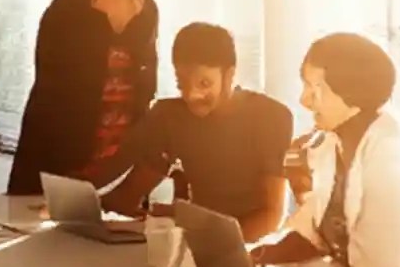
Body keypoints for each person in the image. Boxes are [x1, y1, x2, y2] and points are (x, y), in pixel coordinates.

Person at [252, 33, 400, 267]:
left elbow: (379, 264)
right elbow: (312, 231)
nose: (304, 100)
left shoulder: (390, 148)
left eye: (315, 88)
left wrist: (322, 247)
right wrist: (252, 256)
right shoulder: (328, 145)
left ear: (351, 90)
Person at [90, 23, 293, 241]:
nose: (191, 95)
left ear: (230, 75)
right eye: (181, 83)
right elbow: (131, 192)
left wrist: (218, 244)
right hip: (196, 239)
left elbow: (272, 215)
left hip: (250, 245)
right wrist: (91, 212)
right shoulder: (171, 116)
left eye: (204, 83)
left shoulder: (270, 117)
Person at [7, 0, 159, 195]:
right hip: (62, 152)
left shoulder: (145, 9)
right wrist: (114, 25)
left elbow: (146, 80)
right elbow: (60, 89)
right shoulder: (65, 10)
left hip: (118, 153)